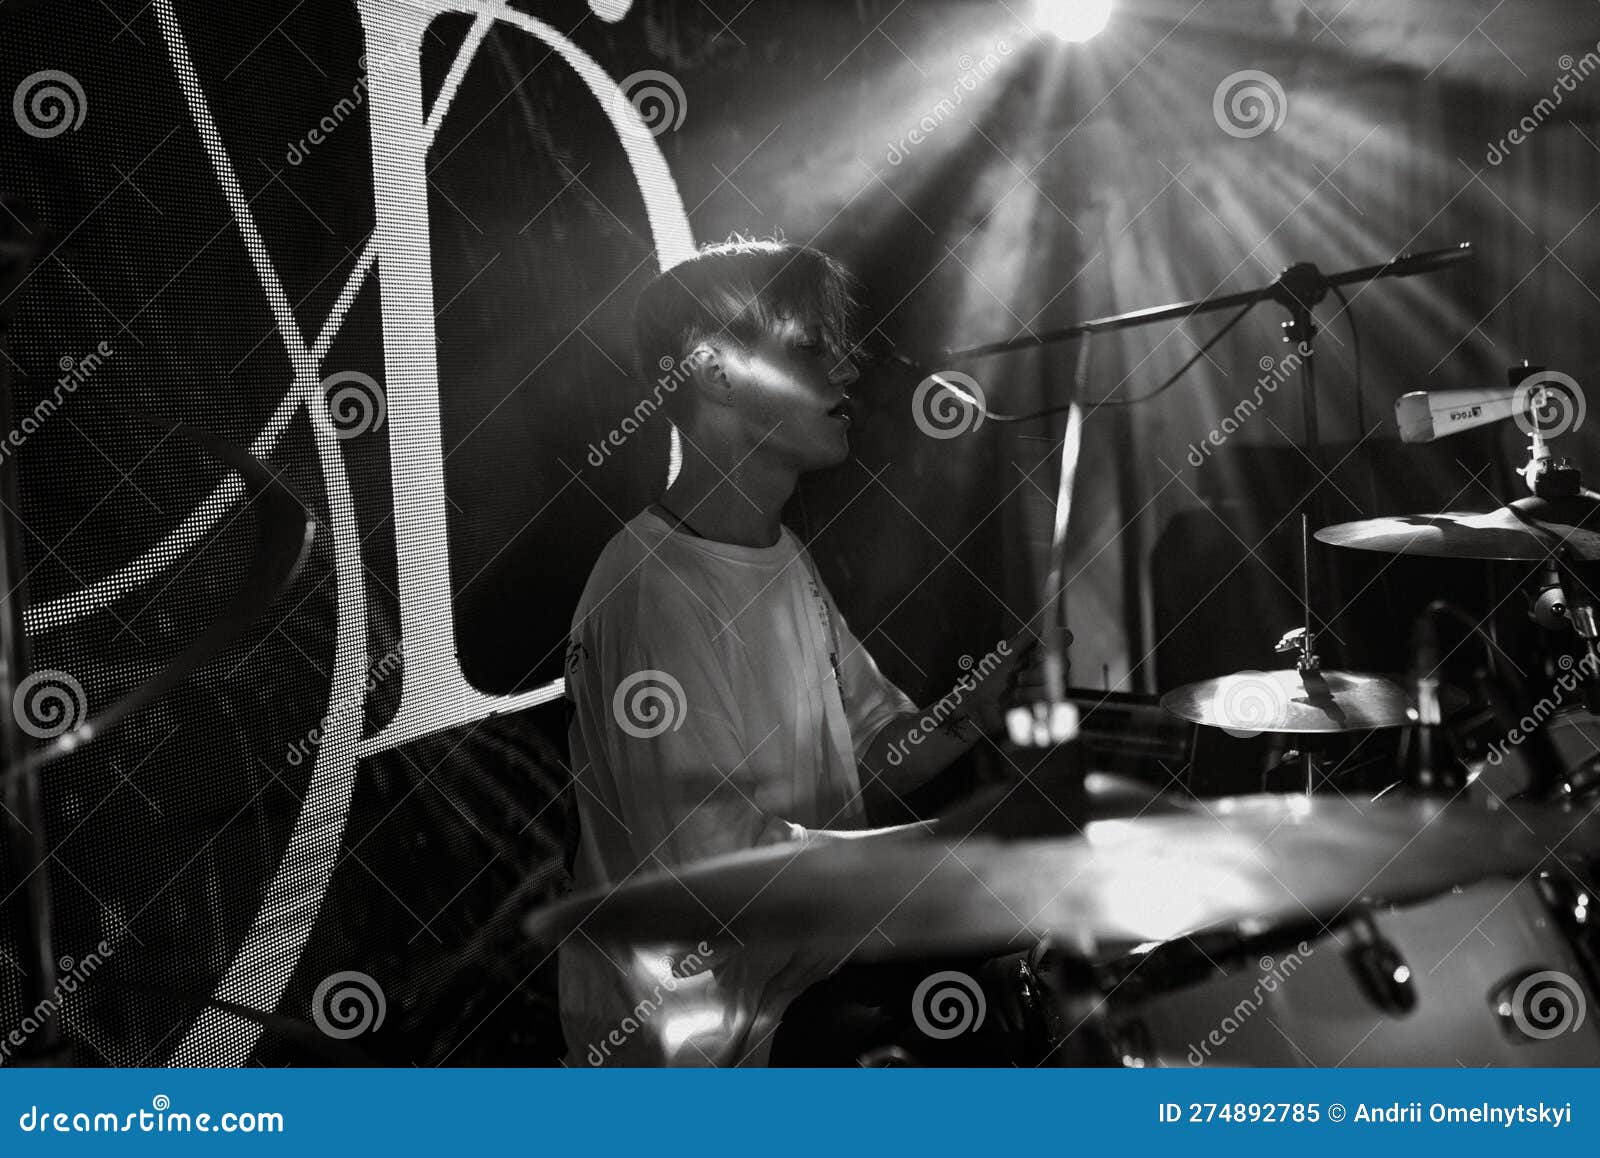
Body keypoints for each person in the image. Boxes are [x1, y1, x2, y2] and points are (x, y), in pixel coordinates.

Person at [558, 237, 1034, 1066]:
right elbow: (726, 874)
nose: (847, 372)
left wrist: (967, 721)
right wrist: (959, 846)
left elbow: (872, 755)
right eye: (811, 348)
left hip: (796, 994)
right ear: (712, 373)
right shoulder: (652, 590)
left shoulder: (782, 557)